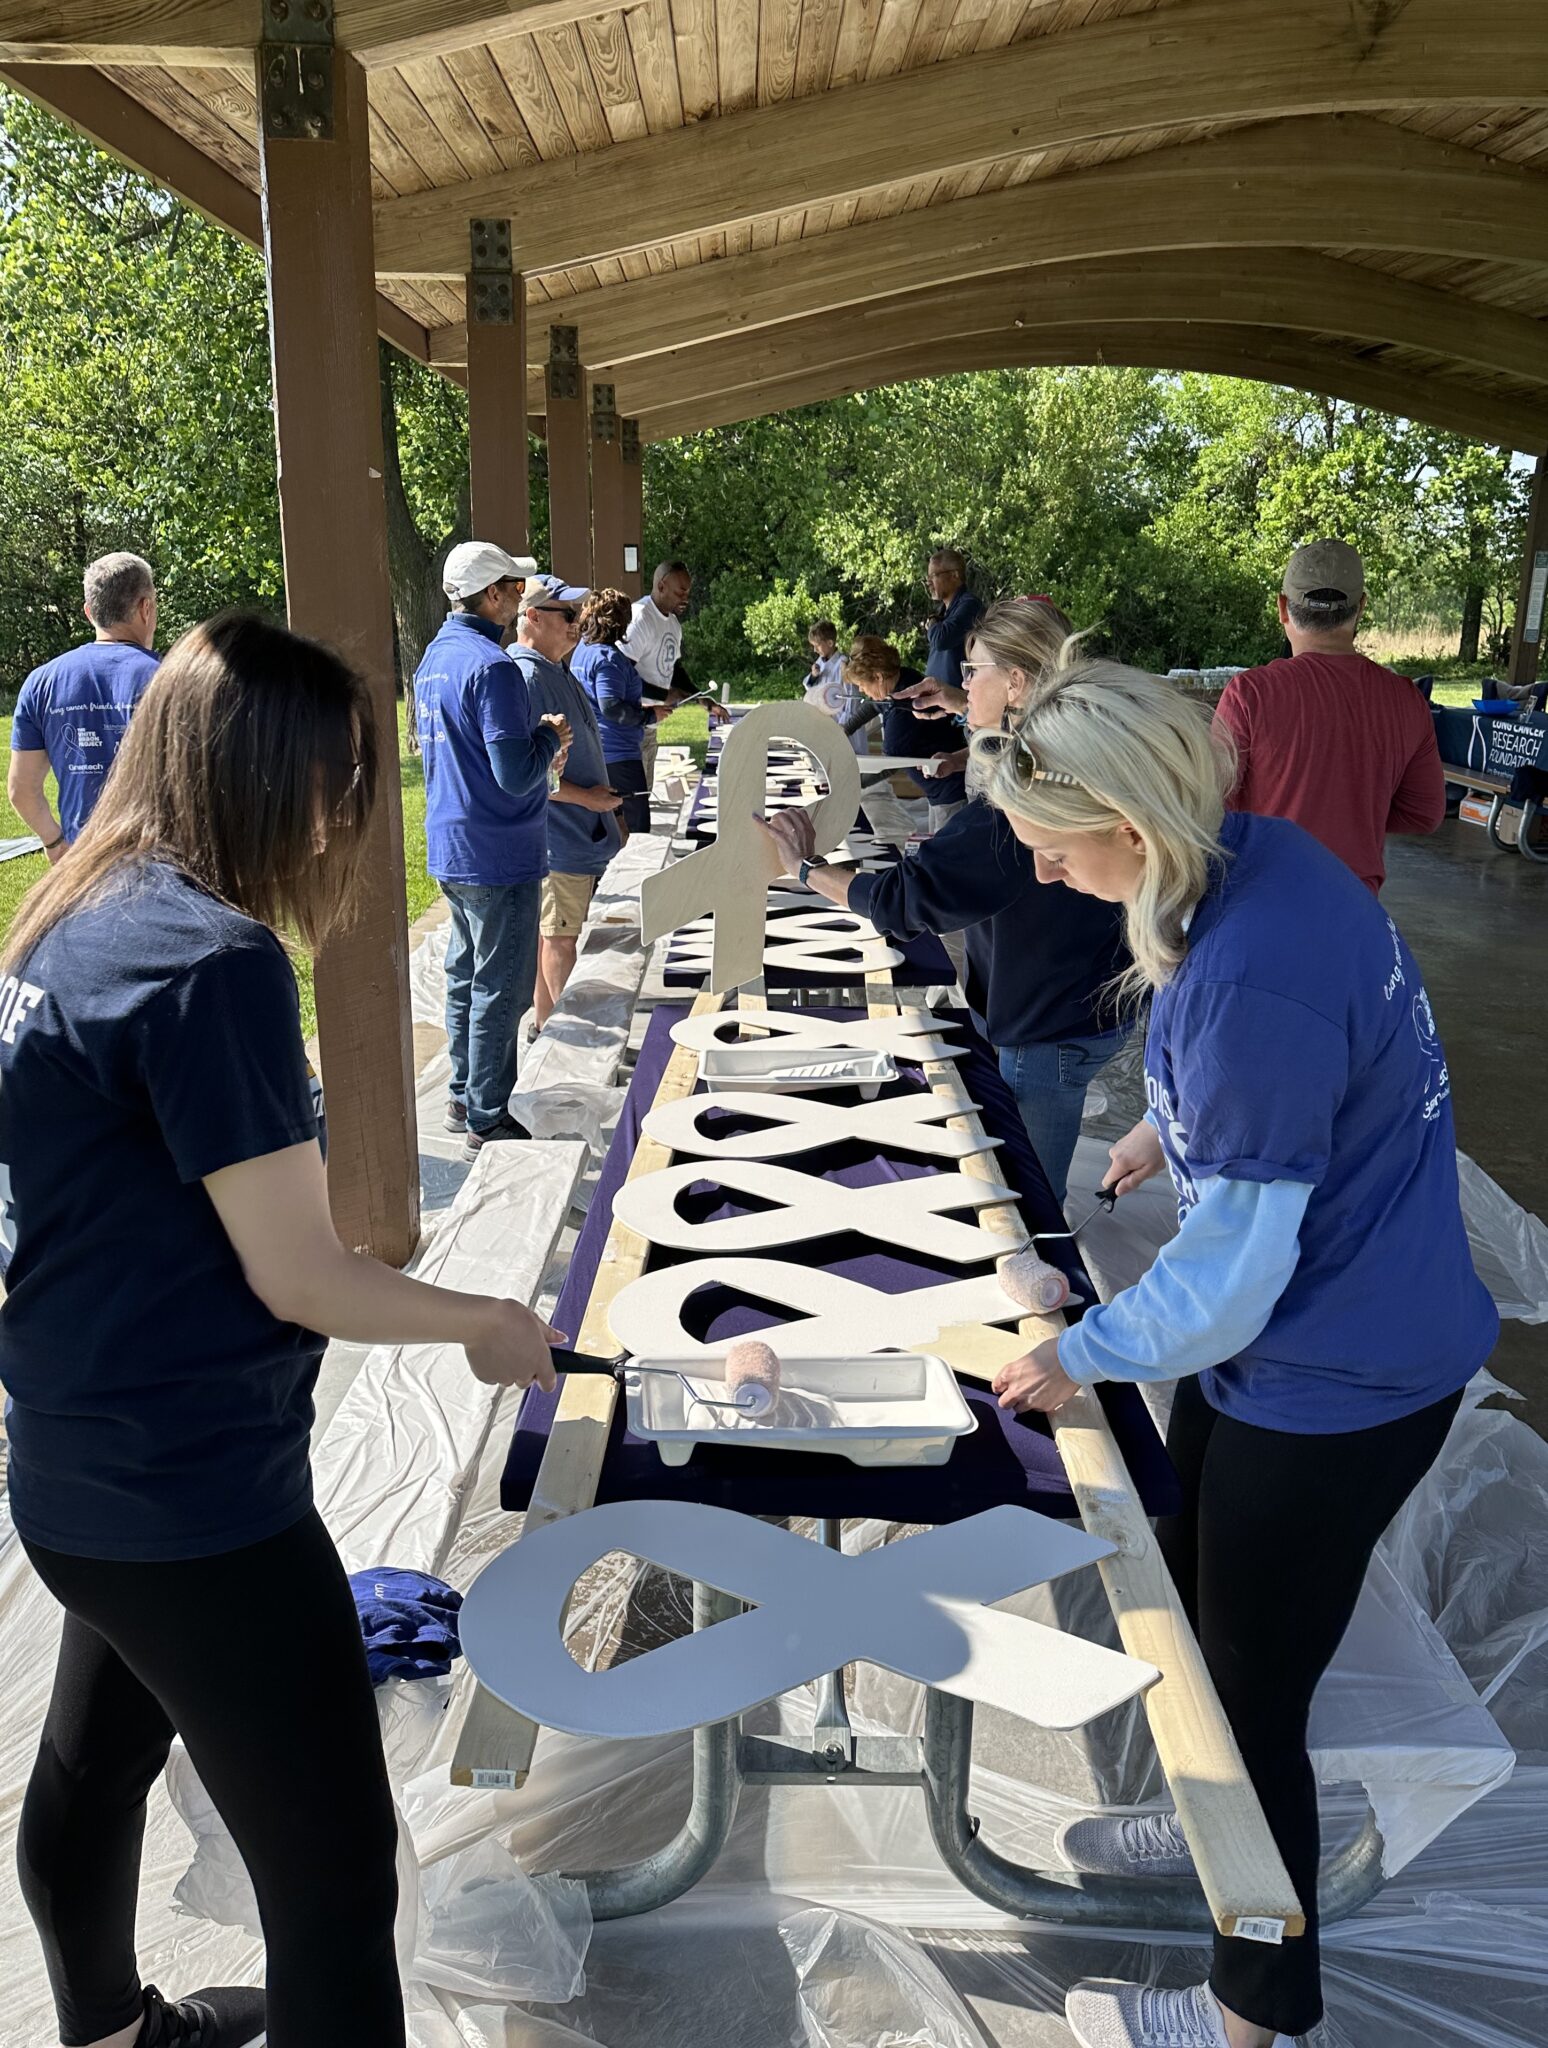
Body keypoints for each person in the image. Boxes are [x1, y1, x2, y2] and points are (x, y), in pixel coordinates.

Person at [0, 610, 566, 2048]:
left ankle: (113, 2032)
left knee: (91, 1774)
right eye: (338, 784)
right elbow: (300, 1274)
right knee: (333, 1883)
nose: (342, 822)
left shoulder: (71, 908)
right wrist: (482, 1321)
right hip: (198, 1501)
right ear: (267, 775)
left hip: (76, 1468)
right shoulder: (210, 958)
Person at [972, 656, 1497, 2048]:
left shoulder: (1253, 970)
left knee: (1253, 1696)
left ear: (1133, 831)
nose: (1043, 880)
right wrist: (1165, 1134)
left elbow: (1234, 1281)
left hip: (1340, 1376)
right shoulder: (1256, 862)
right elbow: (1287, 1100)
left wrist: (1080, 1348)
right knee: (1201, 1613)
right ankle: (1197, 1826)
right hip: (1306, 1348)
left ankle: (1254, 2011)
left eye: (1054, 853)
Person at [759, 601, 1129, 1204]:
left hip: (1048, 1021)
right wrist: (968, 713)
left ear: (1015, 682)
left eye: (972, 669)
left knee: (1026, 1204)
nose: (962, 682)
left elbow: (910, 898)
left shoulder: (1036, 781)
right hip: (1068, 997)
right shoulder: (1072, 744)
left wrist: (807, 870)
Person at [414, 541, 570, 1159]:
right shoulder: (494, 666)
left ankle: (462, 1093)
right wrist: (547, 736)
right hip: (497, 847)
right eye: (514, 586)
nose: (521, 595)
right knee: (500, 985)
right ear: (492, 595)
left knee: (463, 973)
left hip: (452, 840)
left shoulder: (435, 657)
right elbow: (513, 771)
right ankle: (488, 1114)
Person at [1214, 539, 1445, 892]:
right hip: (1355, 909)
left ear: (1282, 608)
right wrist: (1356, 815)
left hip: (1262, 902)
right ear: (1361, 608)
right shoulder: (1407, 699)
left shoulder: (1251, 694)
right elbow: (1424, 814)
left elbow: (1210, 805)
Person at [509, 578, 624, 1030]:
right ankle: (570, 1042)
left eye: (579, 615)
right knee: (561, 939)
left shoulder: (555, 668)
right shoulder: (528, 675)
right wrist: (588, 799)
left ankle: (543, 1027)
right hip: (557, 838)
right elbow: (525, 772)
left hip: (577, 832)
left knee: (551, 937)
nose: (579, 624)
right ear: (533, 616)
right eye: (568, 615)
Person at [10, 552, 161, 860]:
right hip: (162, 865)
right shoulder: (173, 677)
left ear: (90, 612)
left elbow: (21, 790)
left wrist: (54, 842)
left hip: (83, 867)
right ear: (146, 608)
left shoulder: (41, 683)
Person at [843, 633, 968, 833]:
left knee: (946, 854)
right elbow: (874, 706)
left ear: (878, 677)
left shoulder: (905, 706)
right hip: (939, 789)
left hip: (950, 789)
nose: (863, 691)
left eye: (862, 686)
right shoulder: (901, 680)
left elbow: (890, 764)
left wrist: (849, 784)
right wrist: (844, 730)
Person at [573, 587, 669, 835]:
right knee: (636, 832)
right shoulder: (608, 659)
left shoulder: (582, 651)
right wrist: (649, 716)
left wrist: (639, 707)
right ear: (620, 622)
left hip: (596, 752)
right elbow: (611, 706)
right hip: (619, 757)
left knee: (608, 829)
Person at [620, 560, 692, 795]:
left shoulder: (673, 624)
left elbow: (675, 668)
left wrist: (699, 697)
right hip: (629, 724)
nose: (685, 598)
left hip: (652, 721)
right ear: (661, 586)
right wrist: (663, 694)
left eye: (688, 592)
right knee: (631, 801)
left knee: (643, 793)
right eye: (680, 592)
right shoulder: (640, 618)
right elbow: (621, 675)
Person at [922, 547, 983, 692]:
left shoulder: (970, 605)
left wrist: (931, 622)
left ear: (954, 575)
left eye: (934, 575)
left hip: (956, 704)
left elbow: (941, 639)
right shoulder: (944, 611)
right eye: (927, 577)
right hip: (938, 704)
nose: (928, 582)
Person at [803, 620, 868, 757]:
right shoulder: (820, 663)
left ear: (830, 643)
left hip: (843, 722)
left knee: (849, 759)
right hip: (825, 722)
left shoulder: (843, 664)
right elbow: (812, 692)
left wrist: (844, 726)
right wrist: (814, 676)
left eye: (817, 646)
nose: (815, 650)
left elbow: (851, 698)